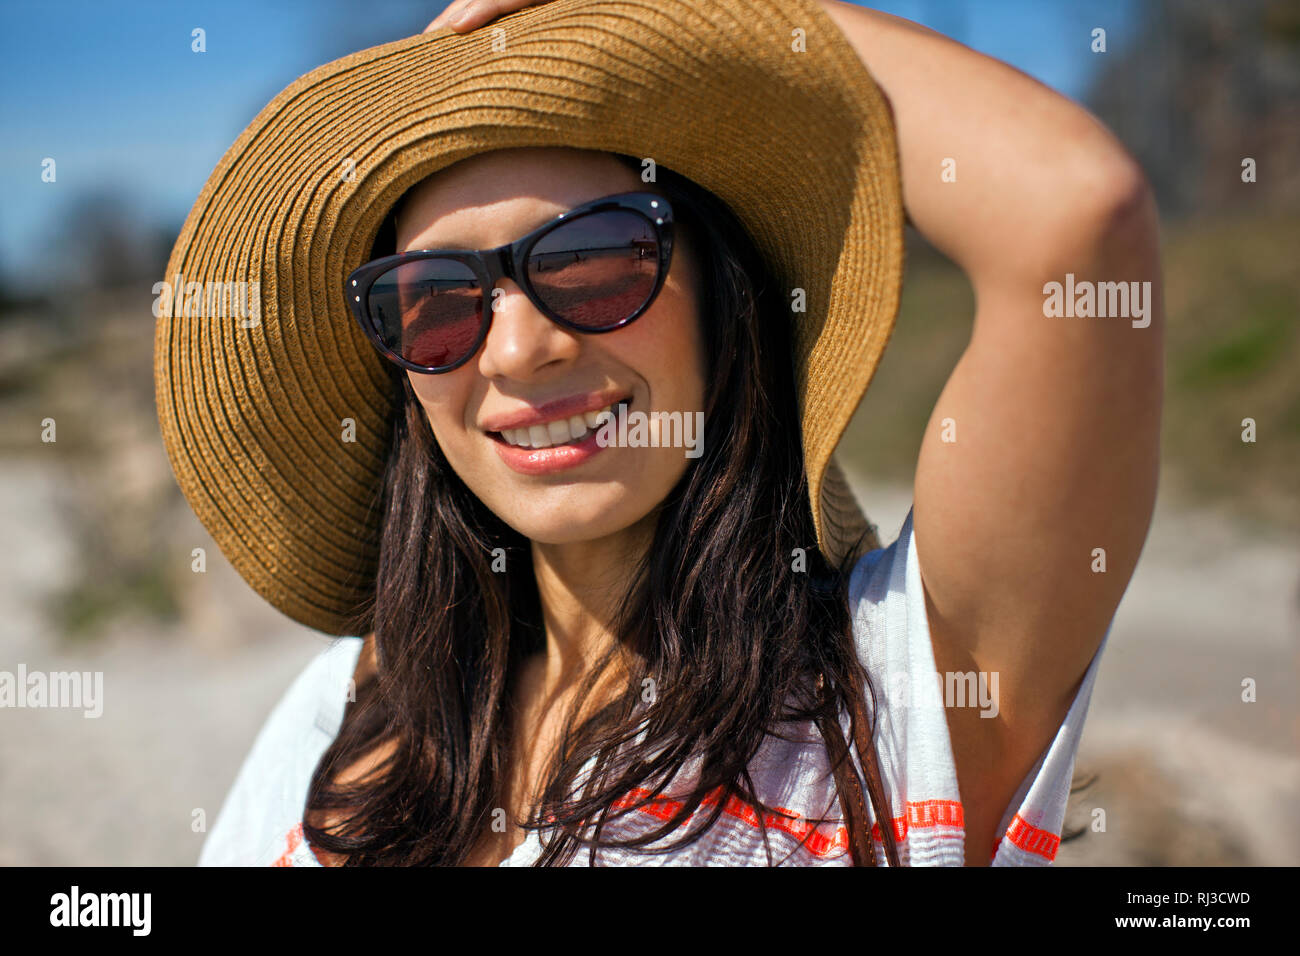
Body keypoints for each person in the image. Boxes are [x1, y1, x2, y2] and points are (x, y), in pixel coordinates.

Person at [164, 0, 1163, 867]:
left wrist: (681, 16)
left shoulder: (890, 698)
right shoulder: (341, 711)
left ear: (725, 295)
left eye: (594, 259)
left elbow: (1075, 212)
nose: (516, 351)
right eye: (433, 302)